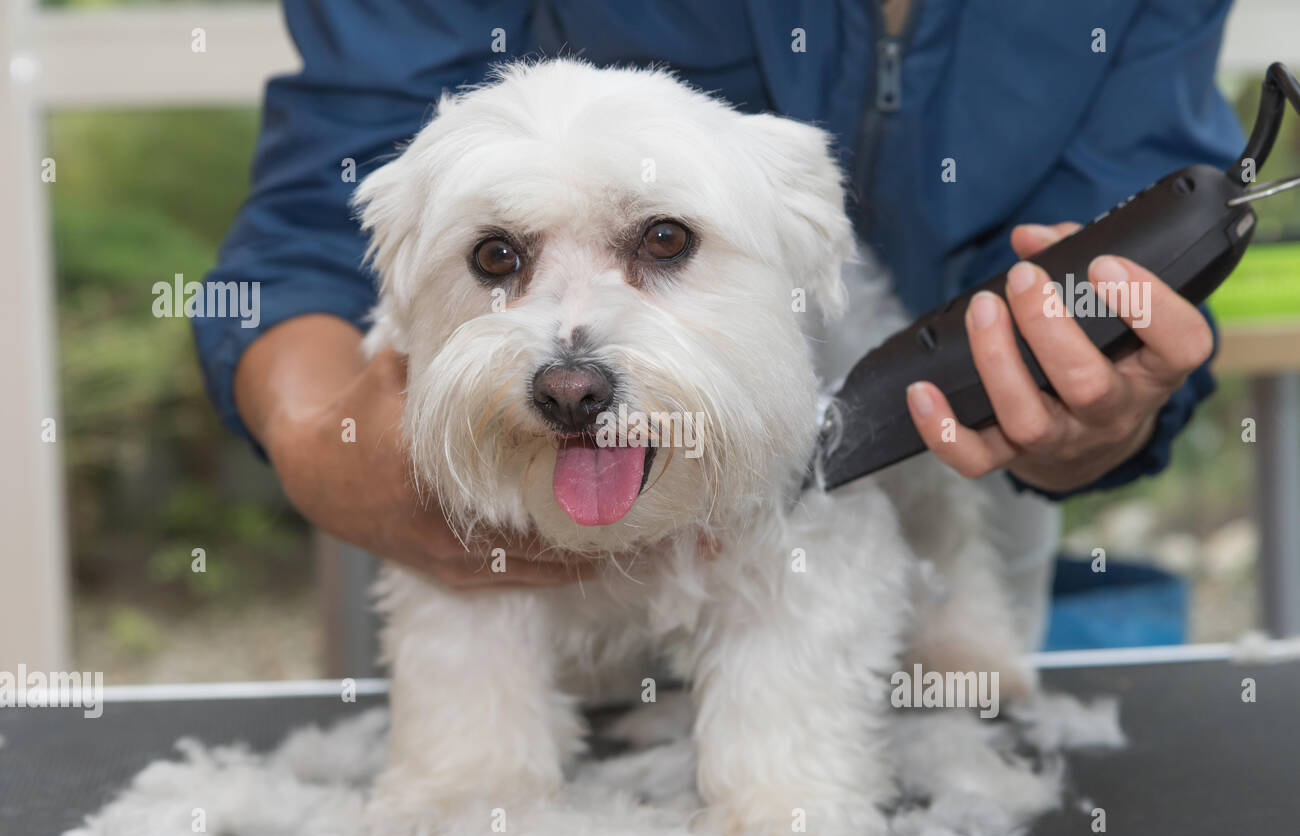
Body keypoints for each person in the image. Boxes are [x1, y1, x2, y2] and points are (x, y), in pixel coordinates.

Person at [194, 0, 1242, 636]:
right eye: (504, 256)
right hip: (488, 533)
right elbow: (321, 206)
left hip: (952, 471)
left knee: (924, 741)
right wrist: (312, 433)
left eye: (658, 242)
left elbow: (1134, 220)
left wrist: (1104, 416)